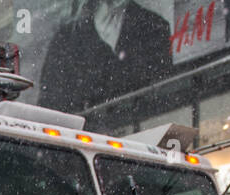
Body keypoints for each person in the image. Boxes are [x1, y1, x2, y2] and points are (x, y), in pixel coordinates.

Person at [38, 0, 175, 115]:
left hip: (141, 139)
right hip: (83, 143)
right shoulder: (65, 41)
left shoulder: (154, 27)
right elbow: (50, 114)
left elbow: (165, 99)